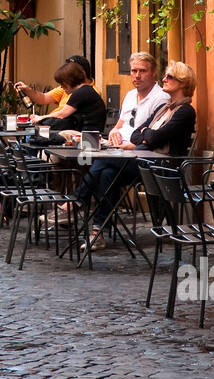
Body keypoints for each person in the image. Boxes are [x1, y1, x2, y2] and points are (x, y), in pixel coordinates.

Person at [77, 61, 197, 248]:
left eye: (169, 77)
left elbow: (154, 138)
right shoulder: (165, 109)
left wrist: (146, 136)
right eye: (165, 76)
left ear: (183, 82)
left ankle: (75, 203)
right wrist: (145, 136)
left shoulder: (185, 112)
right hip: (143, 161)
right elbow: (136, 132)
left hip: (162, 166)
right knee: (107, 173)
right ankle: (97, 231)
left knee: (103, 159)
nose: (164, 79)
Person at [107, 51, 170, 146]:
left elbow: (154, 137)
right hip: (117, 149)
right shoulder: (130, 95)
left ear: (154, 73)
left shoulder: (161, 98)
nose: (137, 76)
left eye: (143, 71)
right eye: (134, 71)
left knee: (98, 161)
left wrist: (131, 147)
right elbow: (118, 126)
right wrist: (113, 132)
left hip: (138, 153)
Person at [32, 61, 106, 137]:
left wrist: (41, 118)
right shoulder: (86, 90)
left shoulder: (81, 93)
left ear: (68, 82)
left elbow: (62, 114)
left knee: (44, 137)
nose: (61, 87)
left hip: (87, 135)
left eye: (62, 84)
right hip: (88, 133)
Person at [15, 54, 94, 111]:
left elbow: (64, 114)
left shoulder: (90, 92)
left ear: (81, 73)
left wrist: (42, 118)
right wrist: (27, 89)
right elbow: (43, 98)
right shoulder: (67, 88)